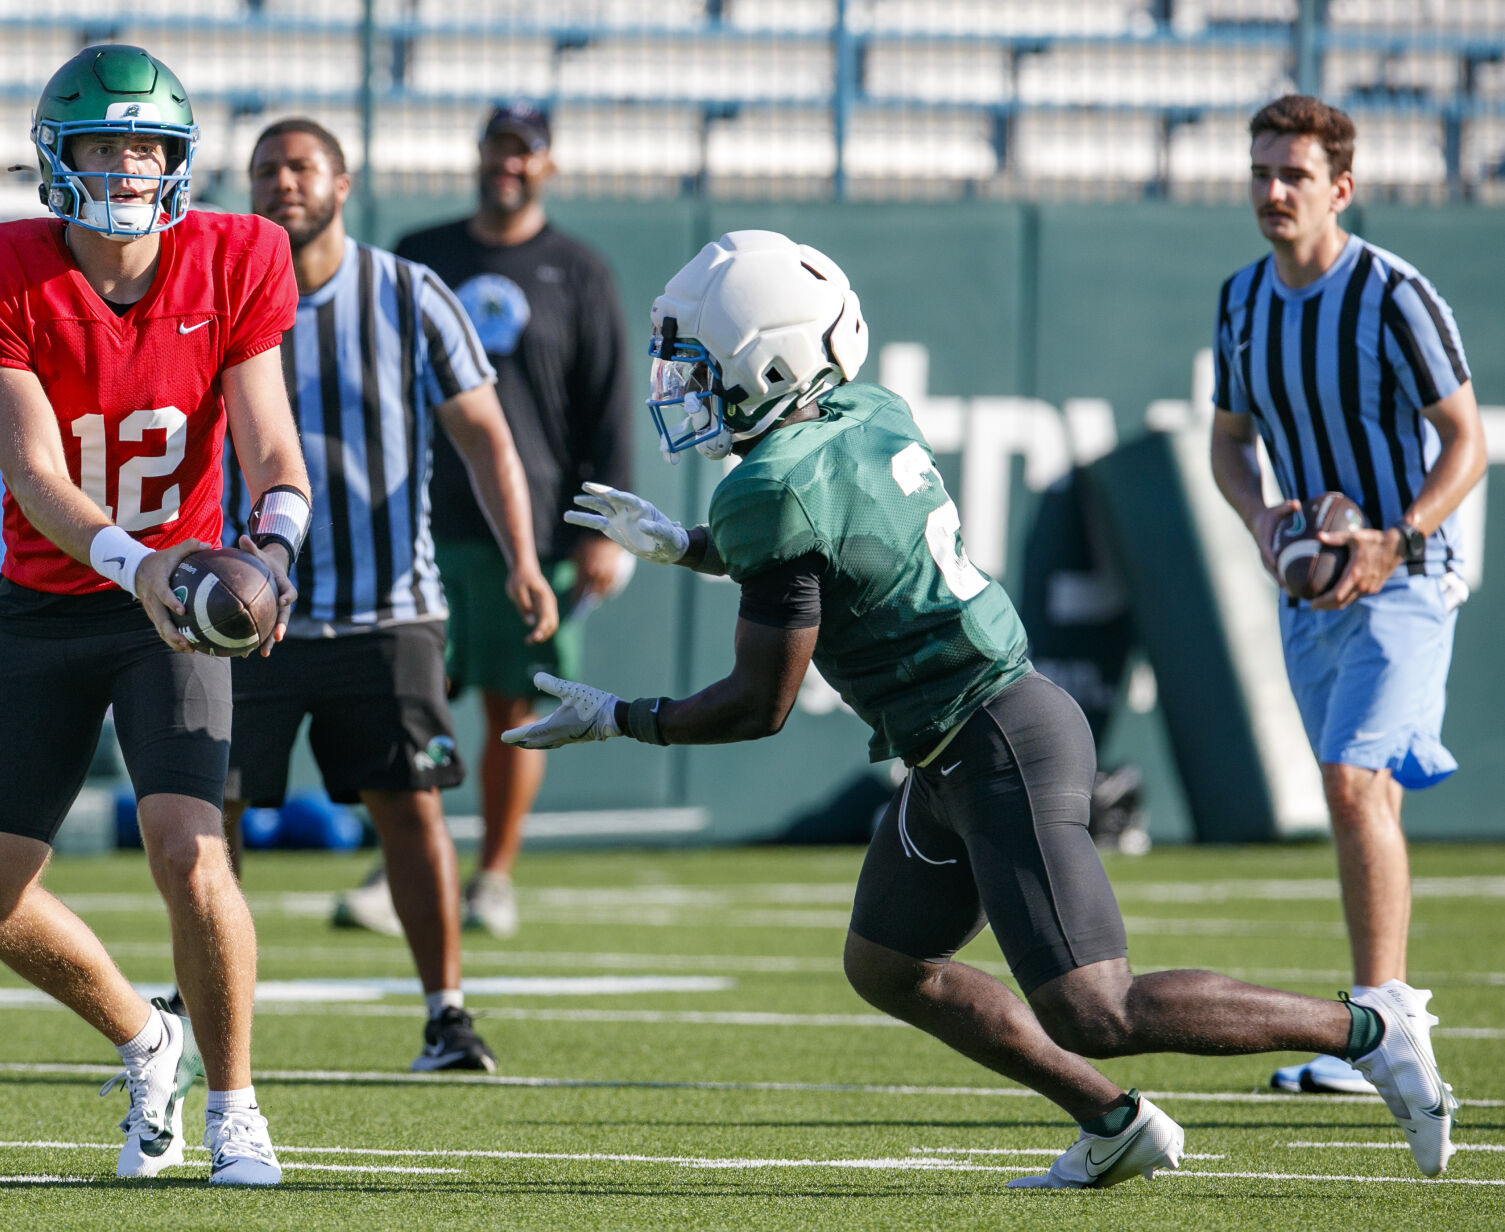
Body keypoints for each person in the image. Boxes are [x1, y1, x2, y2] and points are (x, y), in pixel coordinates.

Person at [502, 228, 1457, 1185]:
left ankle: (1369, 1029)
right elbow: (836, 536)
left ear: (771, 361)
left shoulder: (770, 485)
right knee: (887, 965)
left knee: (1096, 1008)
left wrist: (617, 716)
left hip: (995, 739)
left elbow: (760, 704)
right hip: (960, 736)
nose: (688, 391)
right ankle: (1113, 1123)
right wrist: (693, 547)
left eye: (704, 369)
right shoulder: (865, 410)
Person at [0, 45, 308, 1185]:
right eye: (105, 143)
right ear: (59, 157)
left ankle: (238, 1108)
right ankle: (151, 1039)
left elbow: (273, 444)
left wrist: (274, 550)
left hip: (180, 611)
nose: (131, 164)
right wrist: (131, 560)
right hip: (56, 595)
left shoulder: (237, 257)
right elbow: (38, 475)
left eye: (149, 144)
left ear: (181, 159)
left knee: (188, 849)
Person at [222, 117, 558, 1073]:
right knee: (213, 810)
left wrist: (521, 559)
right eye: (264, 169)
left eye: (300, 167)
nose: (282, 183)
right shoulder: (219, 288)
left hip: (386, 604)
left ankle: (446, 1014)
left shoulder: (410, 291)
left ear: (343, 180)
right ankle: (210, 1008)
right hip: (249, 612)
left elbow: (486, 435)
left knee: (409, 805)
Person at [1209, 96, 1487, 1096]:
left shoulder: (1391, 293)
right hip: (1310, 583)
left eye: (1292, 173)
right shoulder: (1240, 300)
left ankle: (1383, 1028)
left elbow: (1466, 439)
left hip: (1405, 573)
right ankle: (1381, 1025)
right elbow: (1228, 446)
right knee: (1354, 792)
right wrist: (1263, 523)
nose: (1272, 191)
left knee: (1351, 780)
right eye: (1258, 172)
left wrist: (1397, 537)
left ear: (1341, 188)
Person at [333, 102, 631, 939]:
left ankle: (493, 876)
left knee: (514, 708)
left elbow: (605, 409)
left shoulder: (578, 270)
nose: (508, 166)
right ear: (476, 157)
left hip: (530, 530)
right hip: (418, 517)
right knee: (407, 701)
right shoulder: (425, 255)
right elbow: (370, 381)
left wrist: (599, 528)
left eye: (524, 154)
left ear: (547, 166)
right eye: (497, 150)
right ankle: (399, 867)